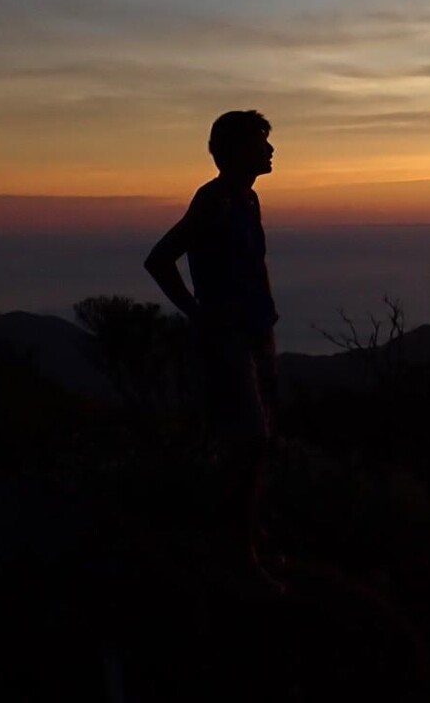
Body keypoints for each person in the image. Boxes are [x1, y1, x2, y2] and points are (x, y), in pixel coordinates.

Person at [145, 109, 282, 587]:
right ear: (235, 149)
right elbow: (160, 259)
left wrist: (268, 322)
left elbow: (254, 263)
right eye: (261, 142)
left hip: (255, 331)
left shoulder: (249, 200)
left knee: (258, 441)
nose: (270, 150)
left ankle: (246, 533)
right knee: (249, 439)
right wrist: (196, 311)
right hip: (226, 338)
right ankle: (238, 553)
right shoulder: (215, 201)